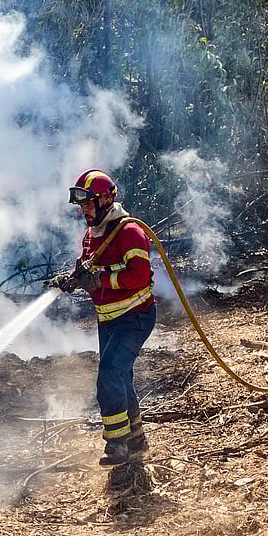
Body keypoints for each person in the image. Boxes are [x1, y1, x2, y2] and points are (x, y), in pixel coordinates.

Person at [49, 169, 156, 467]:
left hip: (134, 317)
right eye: (82, 206)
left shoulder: (129, 232)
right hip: (108, 319)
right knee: (121, 376)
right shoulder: (91, 235)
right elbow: (91, 269)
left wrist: (101, 281)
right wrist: (72, 279)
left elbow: (138, 275)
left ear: (106, 199)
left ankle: (117, 445)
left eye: (88, 204)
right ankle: (136, 440)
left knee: (109, 376)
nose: (84, 211)